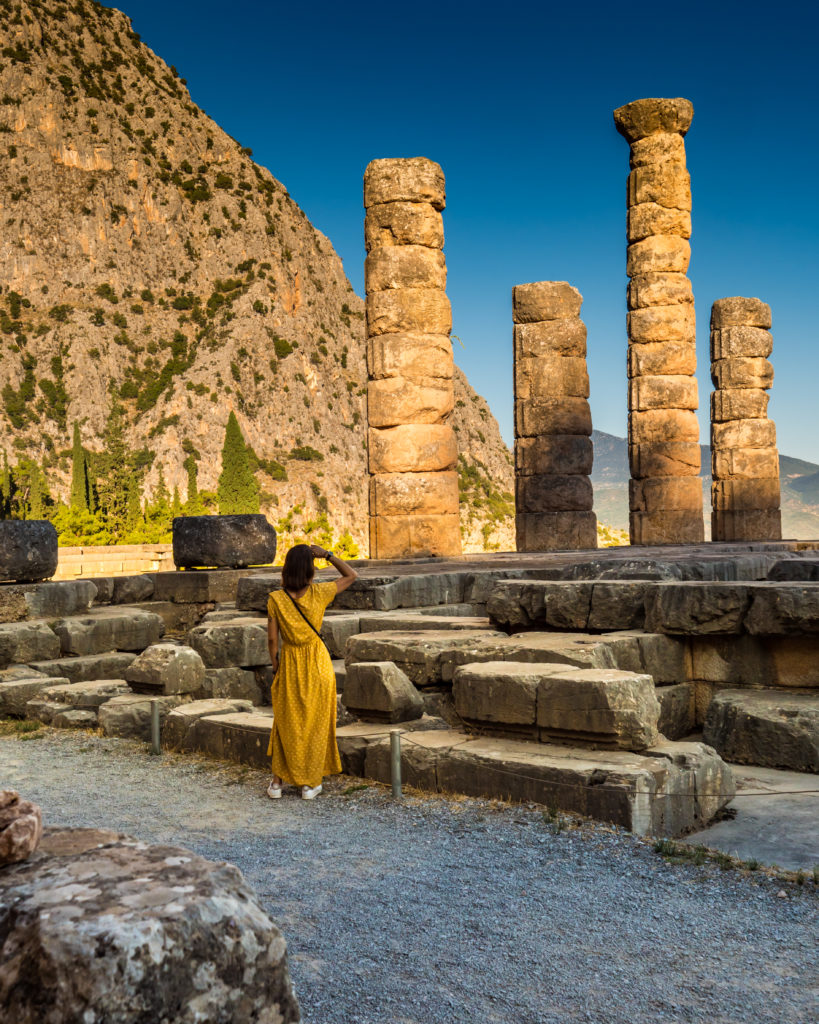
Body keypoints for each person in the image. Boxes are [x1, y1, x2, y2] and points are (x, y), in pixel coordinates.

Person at [266, 543, 357, 800]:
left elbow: (272, 641)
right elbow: (351, 575)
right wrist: (327, 555)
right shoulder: (319, 593)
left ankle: (276, 783)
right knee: (316, 724)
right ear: (310, 569)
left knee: (286, 722)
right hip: (317, 663)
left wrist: (276, 668)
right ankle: (309, 784)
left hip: (290, 662)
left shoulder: (276, 599)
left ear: (286, 569)